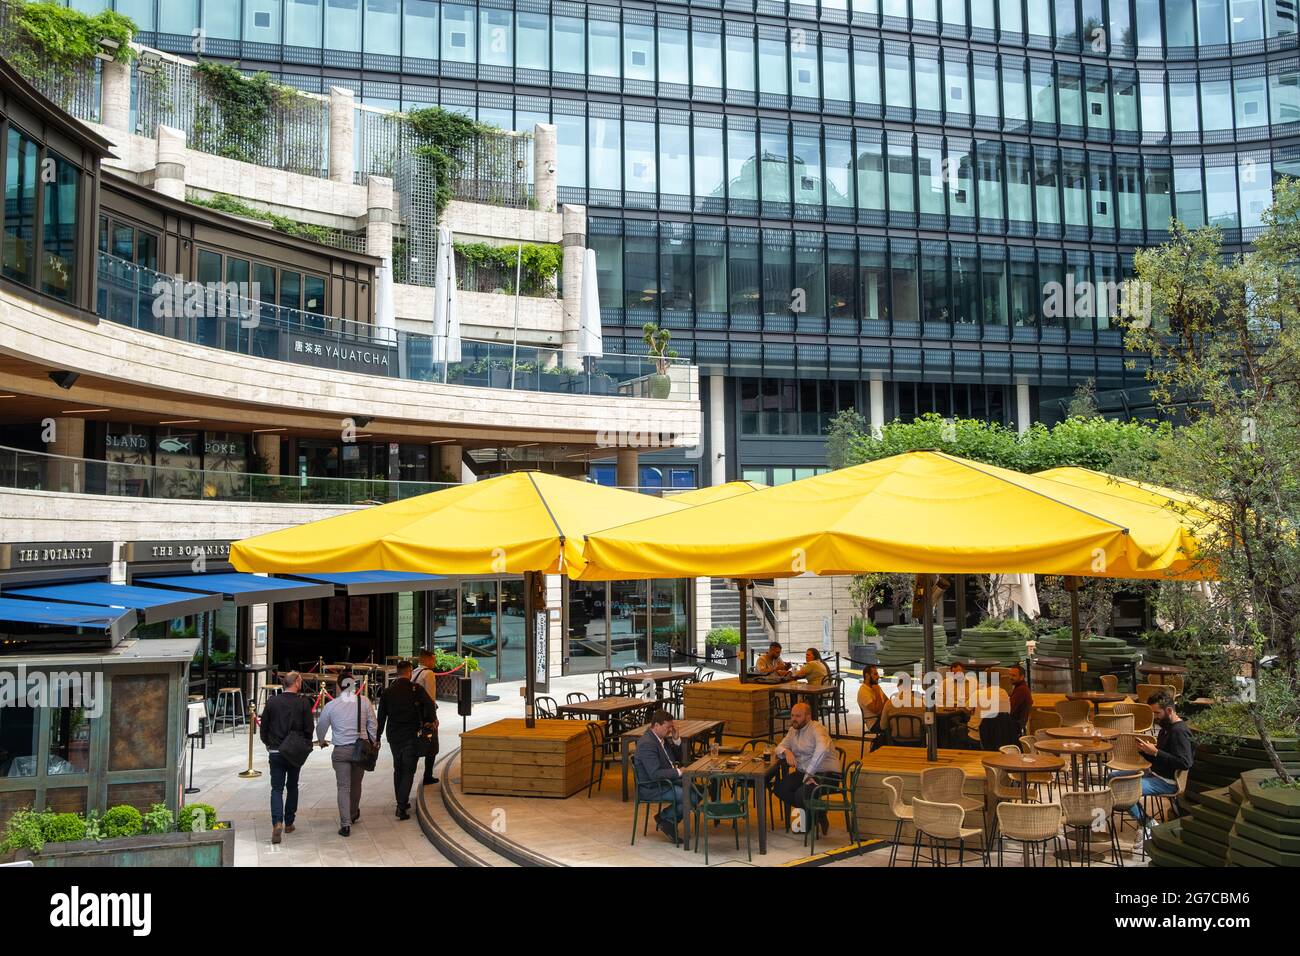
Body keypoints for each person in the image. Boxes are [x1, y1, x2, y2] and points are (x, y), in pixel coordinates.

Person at [1117, 691, 1195, 832]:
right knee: (1112, 778)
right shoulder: (1165, 729)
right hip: (1154, 774)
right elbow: (1160, 759)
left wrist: (1156, 752)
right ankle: (1146, 822)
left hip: (1168, 782)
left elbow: (1185, 763)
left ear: (1169, 710)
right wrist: (1145, 751)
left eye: (1157, 713)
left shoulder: (1179, 732)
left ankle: (1147, 824)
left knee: (1124, 790)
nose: (1155, 718)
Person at [316, 669, 378, 837]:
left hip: (341, 751)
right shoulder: (364, 702)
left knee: (343, 787)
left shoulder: (331, 705)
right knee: (356, 785)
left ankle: (345, 825)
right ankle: (352, 813)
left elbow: (321, 727)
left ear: (338, 687)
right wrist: (374, 741)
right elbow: (373, 725)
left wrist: (321, 741)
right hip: (361, 750)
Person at [259, 671, 313, 845]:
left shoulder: (272, 701)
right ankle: (289, 822)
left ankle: (277, 822)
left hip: (275, 751)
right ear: (296, 682)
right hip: (293, 751)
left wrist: (268, 743)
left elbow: (264, 727)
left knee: (276, 789)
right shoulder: (303, 703)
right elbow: (308, 730)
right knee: (292, 786)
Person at [377, 660, 436, 820]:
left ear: (397, 672)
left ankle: (400, 800)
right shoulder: (415, 689)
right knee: (409, 769)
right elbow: (430, 705)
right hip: (412, 735)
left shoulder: (388, 691)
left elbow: (381, 717)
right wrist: (431, 720)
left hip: (394, 736)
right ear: (409, 672)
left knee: (399, 768)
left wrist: (376, 738)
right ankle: (401, 805)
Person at [773, 702, 839, 834]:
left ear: (808, 717)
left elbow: (822, 749)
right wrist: (786, 751)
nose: (794, 719)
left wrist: (809, 773)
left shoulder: (817, 728)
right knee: (780, 788)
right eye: (792, 715)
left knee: (801, 794)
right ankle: (818, 813)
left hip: (826, 774)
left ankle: (805, 825)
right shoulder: (793, 730)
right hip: (804, 773)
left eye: (798, 716)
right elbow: (778, 748)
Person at [632, 710, 693, 841]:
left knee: (697, 790)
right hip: (652, 787)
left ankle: (666, 818)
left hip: (666, 781)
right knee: (689, 795)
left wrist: (676, 740)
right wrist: (678, 772)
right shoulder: (648, 743)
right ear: (656, 726)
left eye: (671, 727)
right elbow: (654, 774)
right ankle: (666, 819)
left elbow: (678, 759)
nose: (670, 730)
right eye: (668, 727)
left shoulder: (661, 739)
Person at [411, 648, 441, 785]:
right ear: (427, 659)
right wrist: (433, 719)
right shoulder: (428, 674)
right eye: (433, 659)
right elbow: (430, 698)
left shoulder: (414, 672)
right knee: (432, 746)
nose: (434, 662)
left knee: (416, 744)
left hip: (415, 715)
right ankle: (427, 775)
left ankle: (410, 774)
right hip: (426, 716)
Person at [1006, 664, 1034, 731]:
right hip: (1018, 723)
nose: (1010, 677)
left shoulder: (1021, 690)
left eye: (1014, 675)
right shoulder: (1021, 687)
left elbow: (1009, 710)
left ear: (1022, 677)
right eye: (1010, 675)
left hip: (1014, 725)